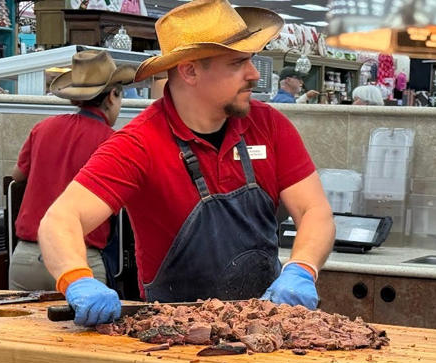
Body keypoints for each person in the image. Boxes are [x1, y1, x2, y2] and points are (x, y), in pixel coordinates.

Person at [38, 0, 335, 326]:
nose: (253, 75)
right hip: (175, 338)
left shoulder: (269, 126)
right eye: (237, 63)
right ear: (190, 70)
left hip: (268, 327)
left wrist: (302, 268)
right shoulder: (139, 143)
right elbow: (61, 219)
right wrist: (77, 278)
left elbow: (314, 211)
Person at [8, 50, 136, 291]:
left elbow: (16, 178)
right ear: (112, 96)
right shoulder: (113, 141)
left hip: (26, 259)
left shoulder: (43, 128)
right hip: (80, 263)